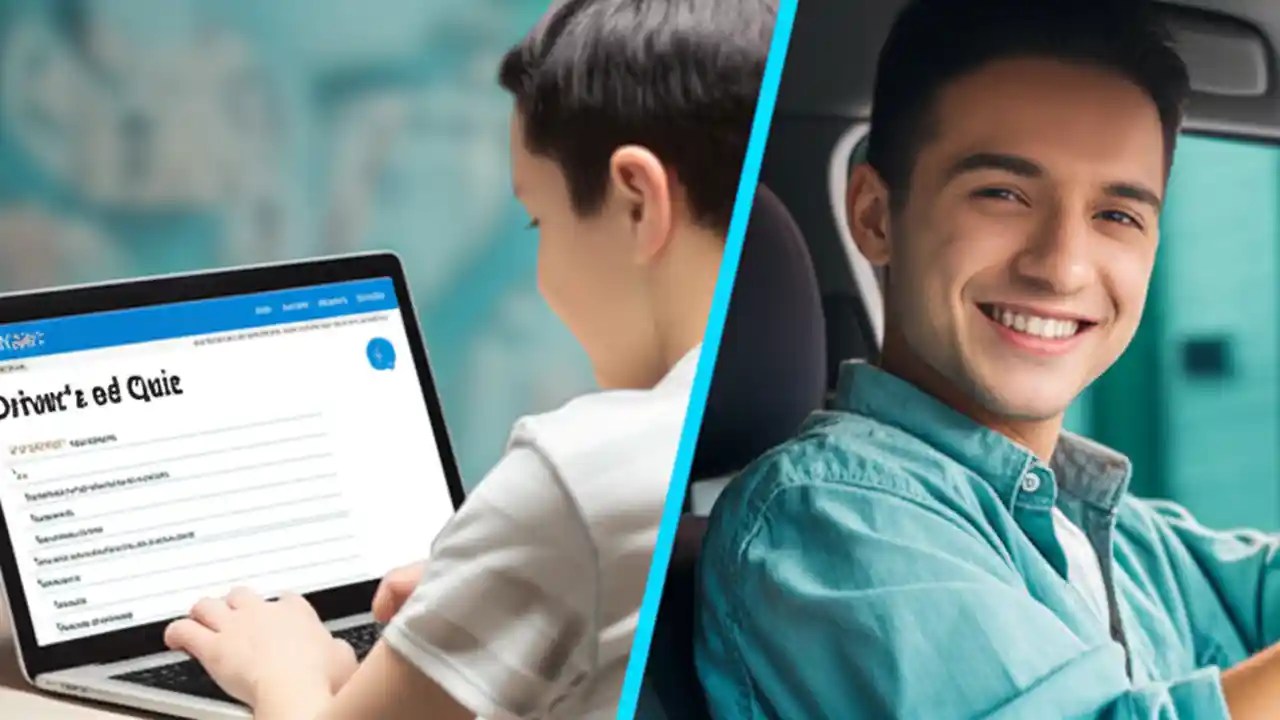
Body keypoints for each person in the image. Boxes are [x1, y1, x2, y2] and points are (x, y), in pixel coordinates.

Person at [158, 0, 776, 718]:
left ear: (637, 202)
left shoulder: (579, 473)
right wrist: (479, 595)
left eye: (537, 219)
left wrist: (282, 670)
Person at [696, 1, 1280, 718]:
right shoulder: (826, 518)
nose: (1061, 267)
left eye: (1118, 215)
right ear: (877, 216)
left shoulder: (1121, 538)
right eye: (1002, 194)